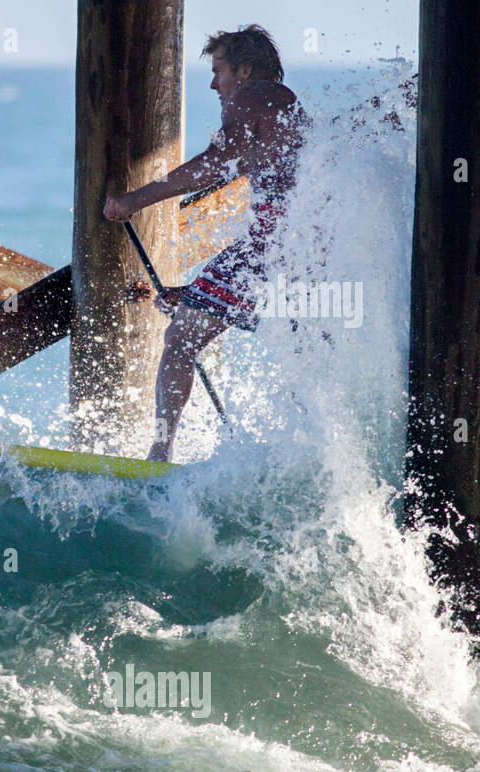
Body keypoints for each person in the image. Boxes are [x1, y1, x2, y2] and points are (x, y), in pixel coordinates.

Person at [103, 24, 307, 462]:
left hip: (274, 245)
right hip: (301, 248)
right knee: (305, 357)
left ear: (245, 70)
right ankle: (302, 454)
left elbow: (216, 163)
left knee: (180, 339)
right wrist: (196, 293)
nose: (215, 84)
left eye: (219, 70)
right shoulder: (279, 105)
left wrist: (134, 201)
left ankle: (159, 454)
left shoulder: (253, 96)